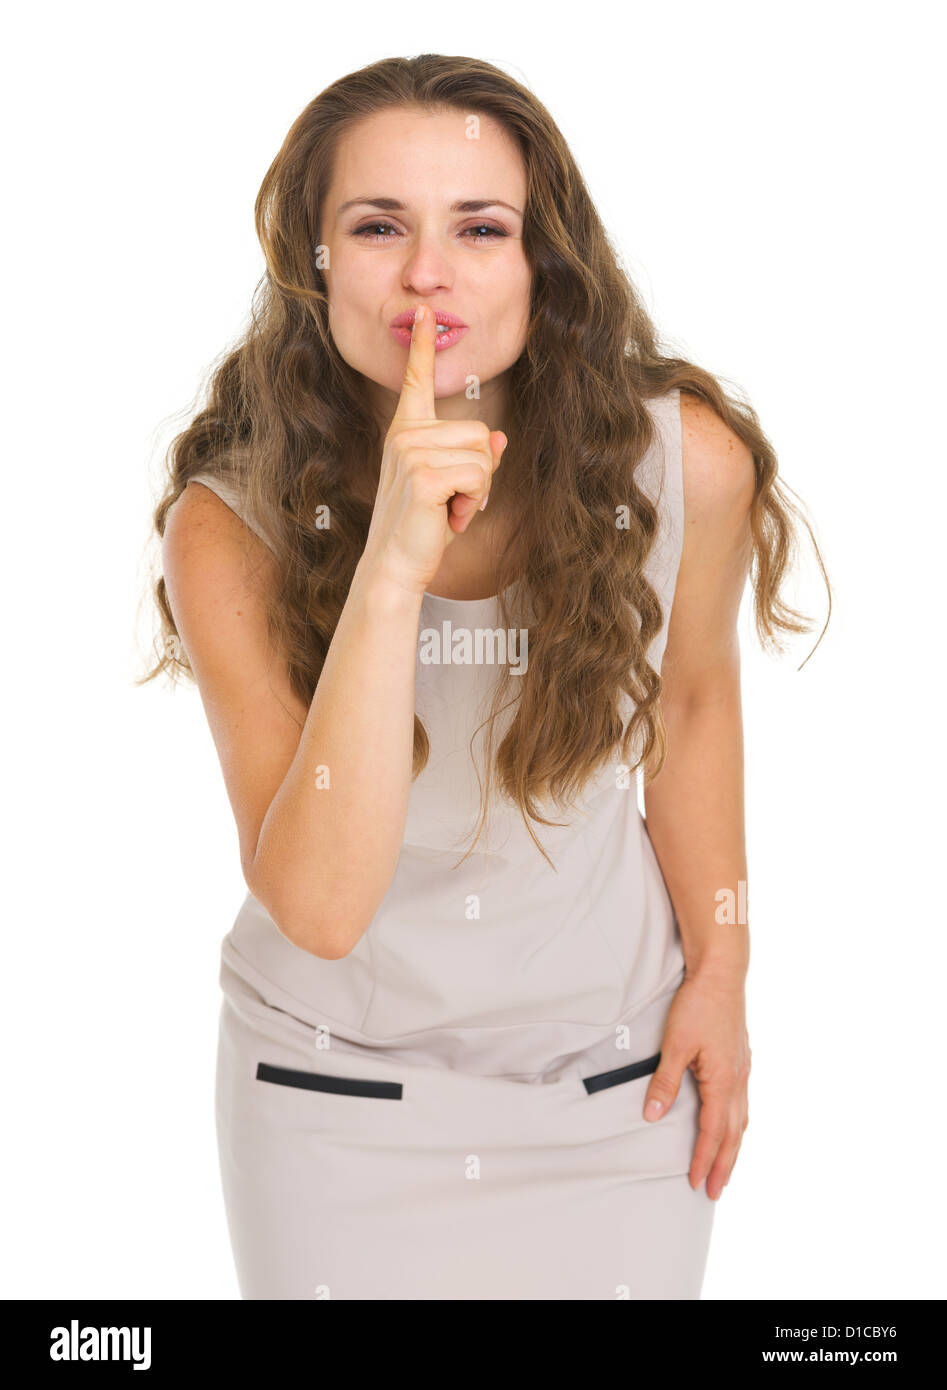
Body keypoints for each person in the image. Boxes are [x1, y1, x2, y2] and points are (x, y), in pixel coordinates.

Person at [140, 54, 829, 1300]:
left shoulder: (687, 465)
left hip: (616, 1090)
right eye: (375, 227)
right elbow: (322, 904)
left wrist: (722, 973)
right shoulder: (226, 526)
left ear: (541, 264)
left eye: (479, 227)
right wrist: (393, 566)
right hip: (329, 1097)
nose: (425, 273)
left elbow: (690, 706)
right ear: (312, 264)